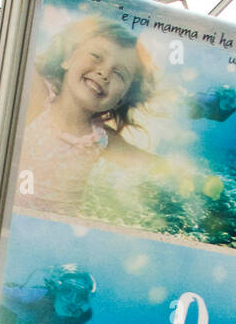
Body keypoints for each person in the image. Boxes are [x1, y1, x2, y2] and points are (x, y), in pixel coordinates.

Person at [17, 15, 157, 212]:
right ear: (68, 58)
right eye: (96, 56)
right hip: (15, 220)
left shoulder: (101, 140)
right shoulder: (38, 99)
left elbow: (153, 167)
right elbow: (15, 55)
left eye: (119, 74)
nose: (104, 73)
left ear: (121, 100)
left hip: (58, 231)